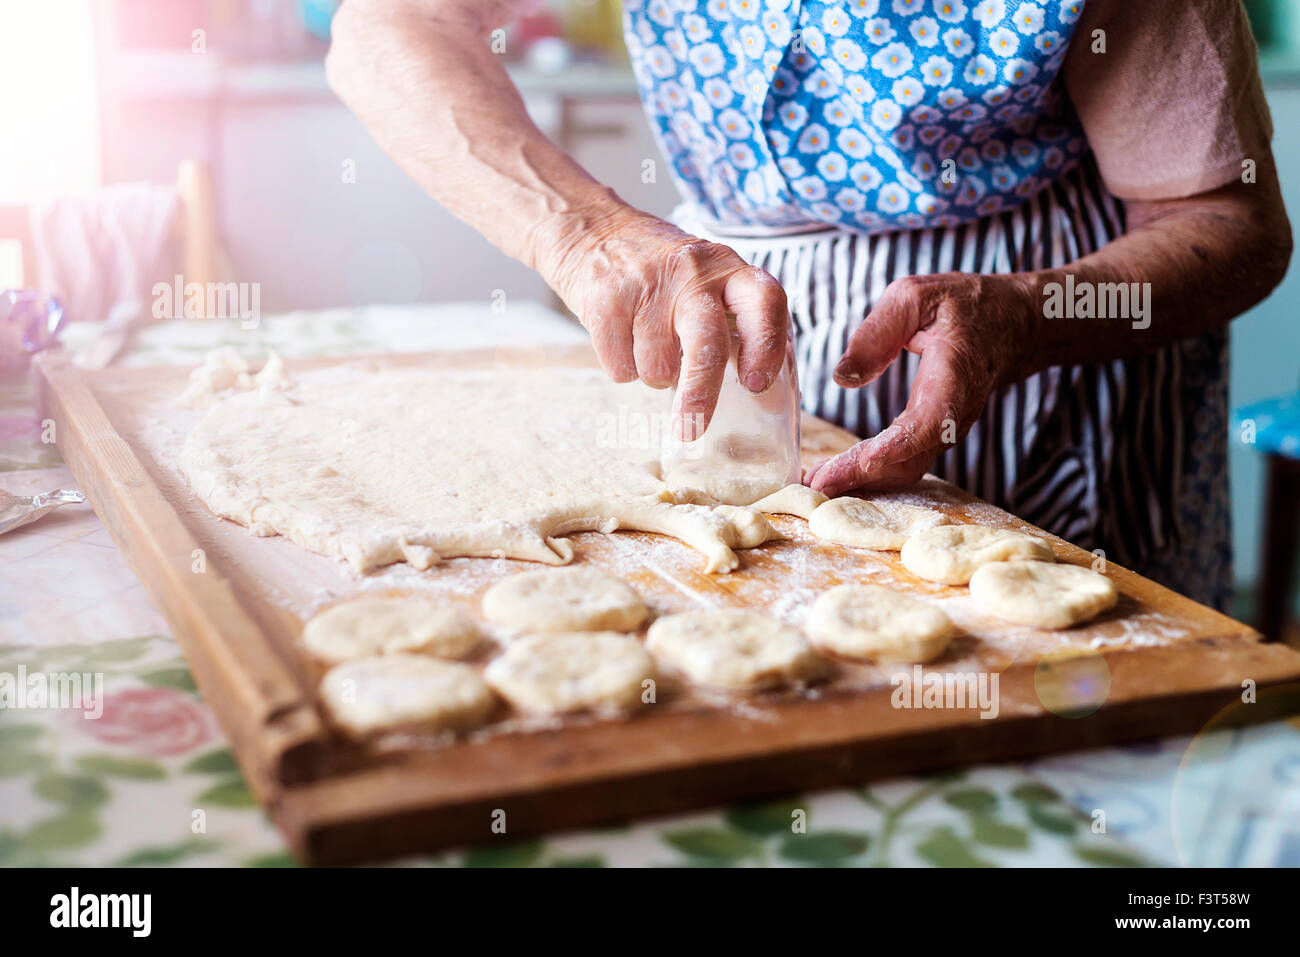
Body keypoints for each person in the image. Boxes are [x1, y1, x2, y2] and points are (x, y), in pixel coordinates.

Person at [326, 0, 1291, 610]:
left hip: (1057, 370)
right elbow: (390, 26)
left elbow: (1230, 222)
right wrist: (581, 233)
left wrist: (1028, 317)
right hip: (737, 333)